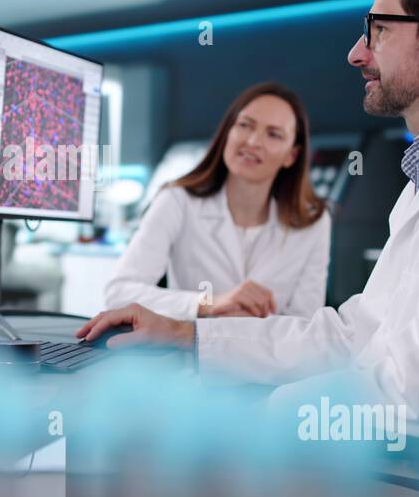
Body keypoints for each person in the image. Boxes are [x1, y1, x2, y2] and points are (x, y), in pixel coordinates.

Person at [77, 0, 419, 425]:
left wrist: (262, 415)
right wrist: (188, 334)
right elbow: (351, 336)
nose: (357, 54)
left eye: (379, 31)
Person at [103, 82, 331, 319]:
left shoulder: (313, 222)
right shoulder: (177, 201)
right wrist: (208, 302)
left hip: (269, 356)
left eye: (273, 134)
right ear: (227, 133)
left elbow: (307, 326)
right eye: (245, 125)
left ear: (291, 155)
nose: (253, 142)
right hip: (189, 353)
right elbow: (119, 293)